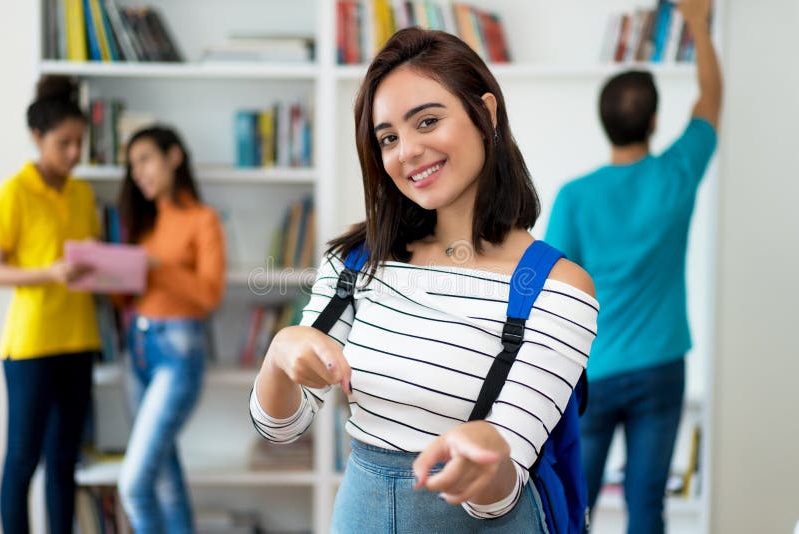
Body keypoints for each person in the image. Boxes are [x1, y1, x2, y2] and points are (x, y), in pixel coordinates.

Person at [249, 27, 598, 532]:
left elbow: (498, 495)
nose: (407, 151)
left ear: (487, 114)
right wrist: (281, 353)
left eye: (428, 121)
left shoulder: (559, 287)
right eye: (388, 137)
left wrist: (491, 455)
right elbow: (281, 427)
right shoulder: (356, 265)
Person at [544, 1, 722, 532]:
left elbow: (551, 288)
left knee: (576, 504)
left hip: (591, 374)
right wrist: (695, 22)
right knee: (647, 506)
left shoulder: (574, 197)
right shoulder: (675, 176)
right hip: (661, 368)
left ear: (605, 123)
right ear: (653, 121)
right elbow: (712, 98)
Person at [0, 75, 101, 534]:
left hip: (79, 339)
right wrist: (48, 273)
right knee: (23, 458)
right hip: (32, 345)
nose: (75, 154)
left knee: (64, 459)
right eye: (64, 143)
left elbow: (91, 258)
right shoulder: (14, 193)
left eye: (80, 142)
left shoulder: (82, 194)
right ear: (37, 137)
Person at [115, 126, 226, 533]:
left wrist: (158, 269)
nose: (138, 173)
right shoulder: (141, 223)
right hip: (136, 346)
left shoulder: (203, 219)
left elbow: (210, 293)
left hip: (178, 350)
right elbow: (129, 297)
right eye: (132, 166)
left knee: (134, 484)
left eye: (144, 159)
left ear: (174, 156)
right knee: (163, 478)